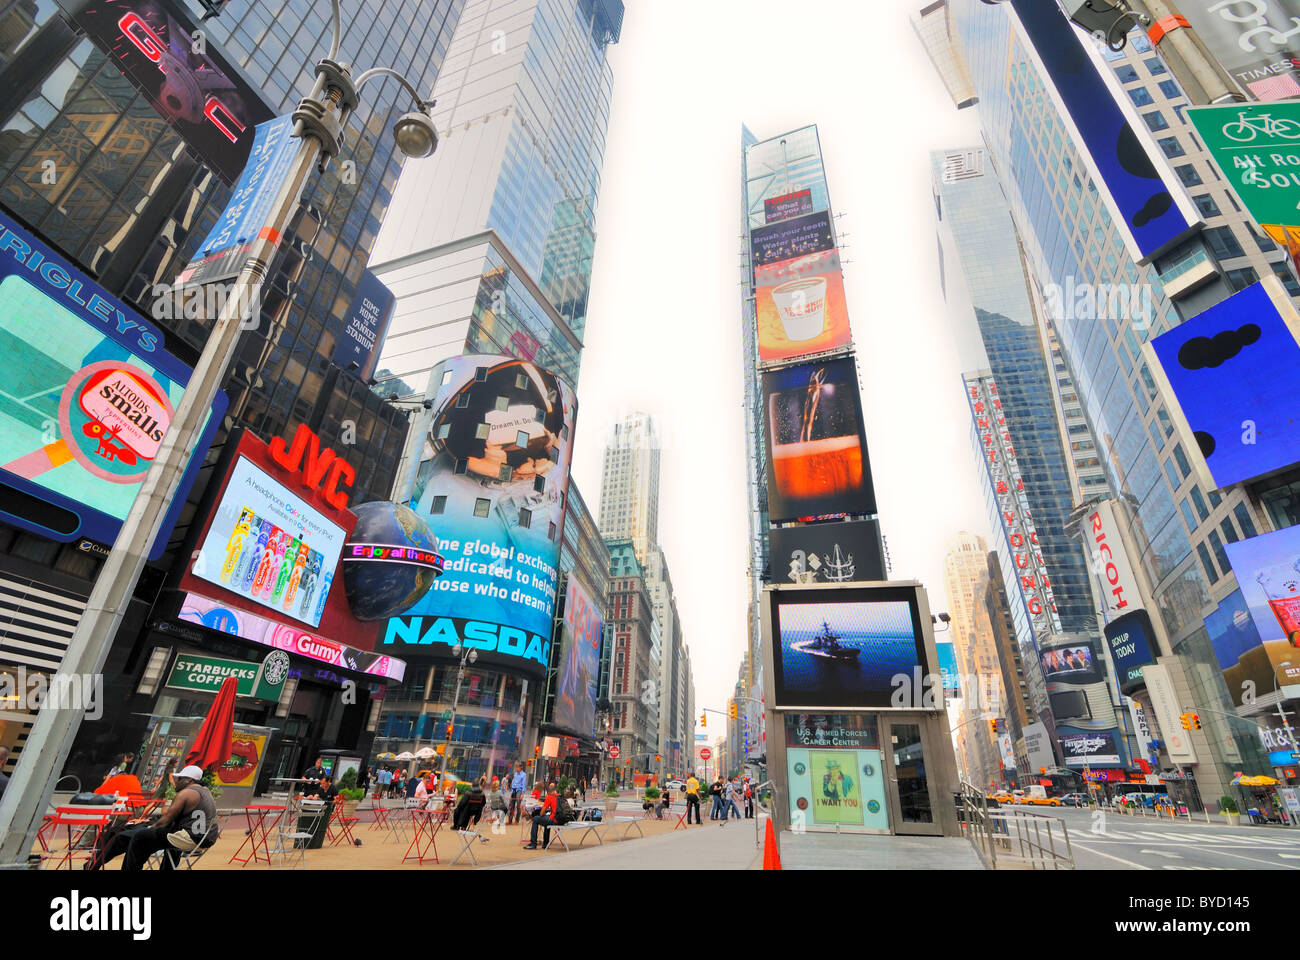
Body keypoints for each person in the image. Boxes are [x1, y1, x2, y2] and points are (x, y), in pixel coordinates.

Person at [97, 765, 219, 871]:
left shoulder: (185, 793)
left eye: (179, 778)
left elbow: (165, 821)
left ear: (189, 780)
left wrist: (149, 828)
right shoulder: (205, 791)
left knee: (140, 837)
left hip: (190, 838)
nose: (175, 781)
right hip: (204, 839)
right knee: (165, 837)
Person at [524, 782, 561, 850]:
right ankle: (545, 843)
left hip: (554, 820)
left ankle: (533, 843)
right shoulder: (559, 796)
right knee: (547, 821)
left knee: (535, 819)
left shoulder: (549, 797)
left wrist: (544, 811)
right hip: (561, 820)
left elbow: (541, 813)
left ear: (548, 791)